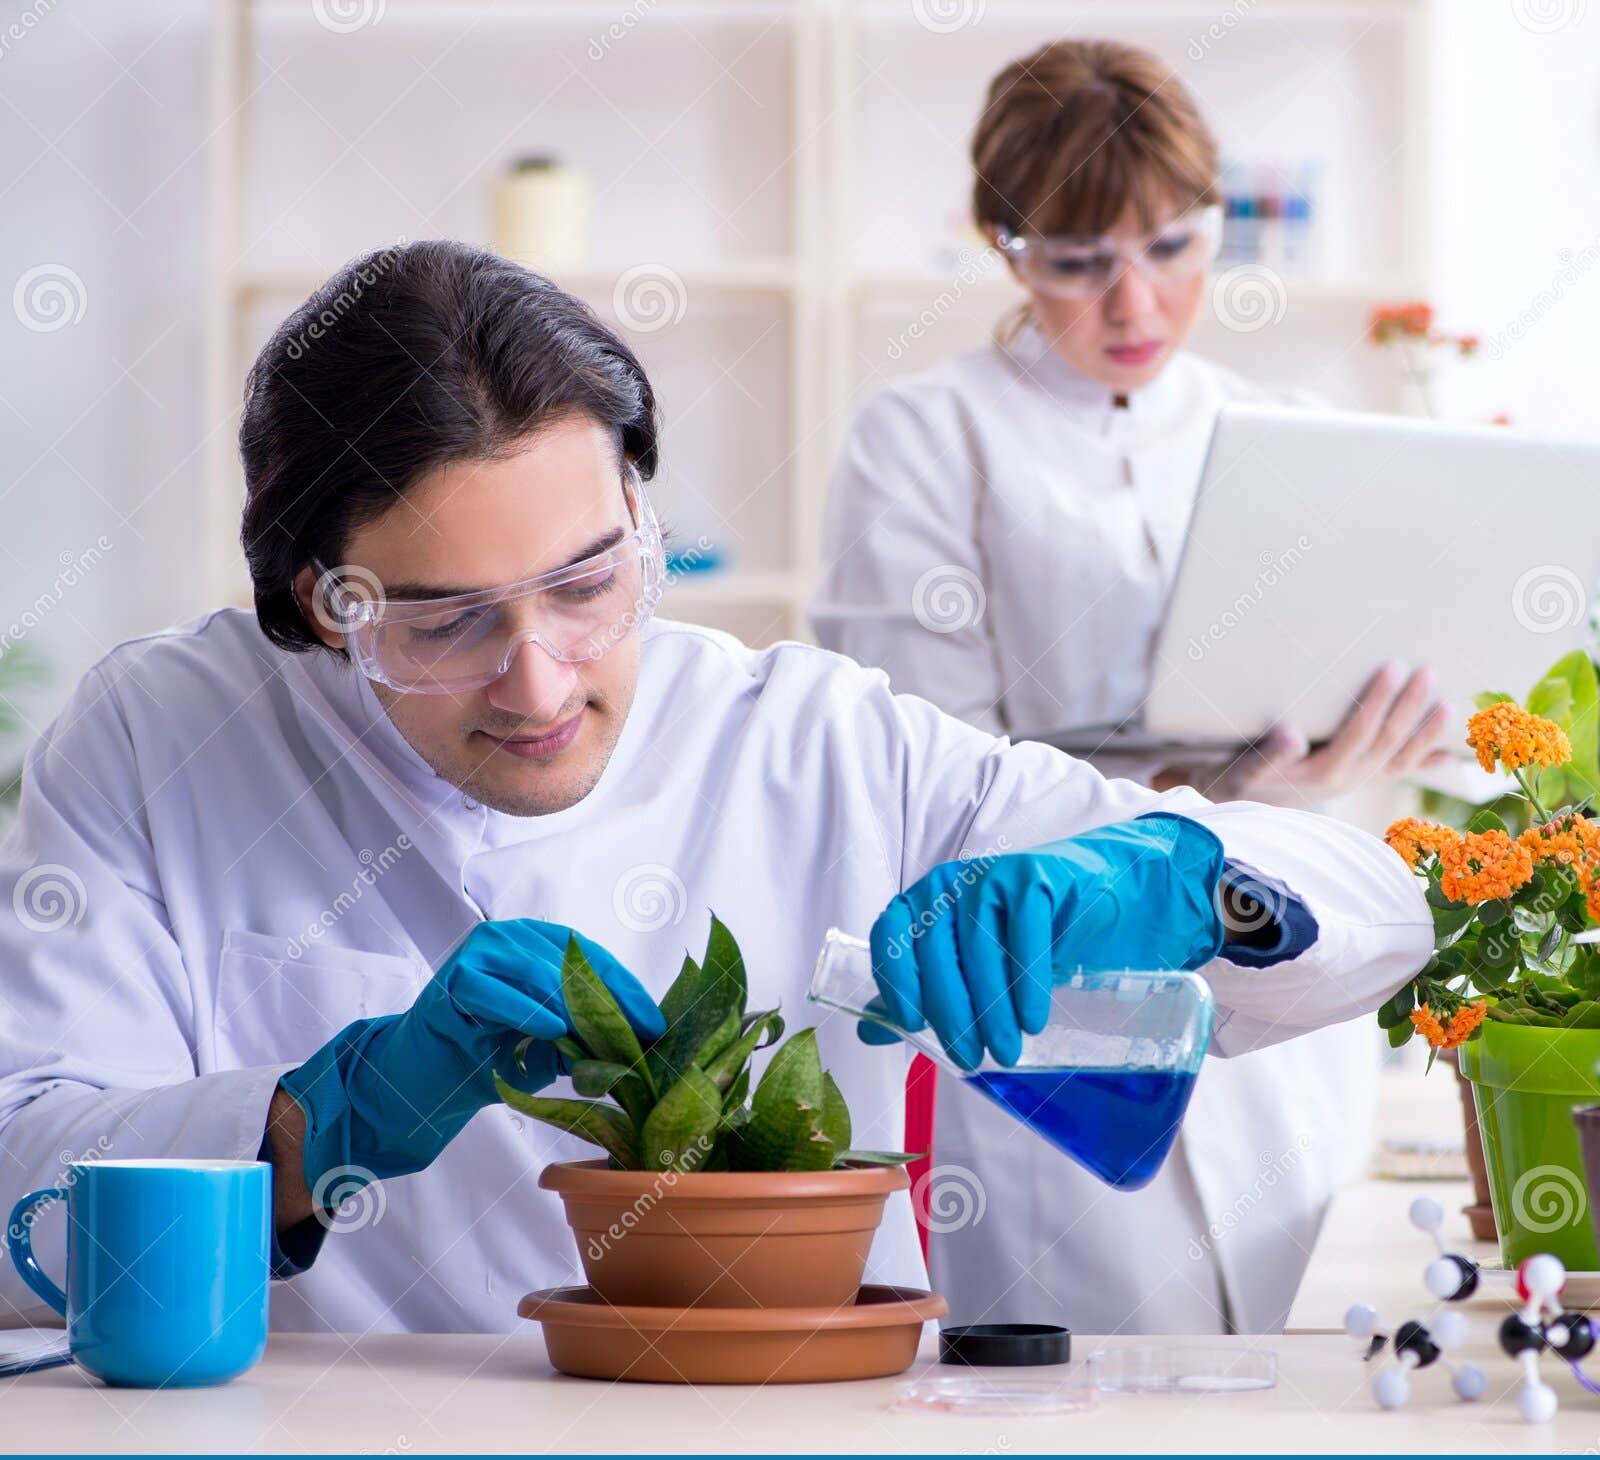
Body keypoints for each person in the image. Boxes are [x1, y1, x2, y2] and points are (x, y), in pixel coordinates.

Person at [0, 240, 1428, 1333]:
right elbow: (20, 1203)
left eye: (588, 582)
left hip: (788, 1450)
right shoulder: (160, 739)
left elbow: (1377, 921)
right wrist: (316, 1124)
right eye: (445, 624)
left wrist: (1174, 879)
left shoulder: (802, 737)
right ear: (320, 601)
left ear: (642, 519)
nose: (543, 680)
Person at [810, 41, 1451, 1334]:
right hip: (1065, 1015)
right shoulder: (925, 435)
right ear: (1003, 246)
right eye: (1077, 260)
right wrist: (1216, 796)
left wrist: (1359, 753)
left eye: (1173, 246)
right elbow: (923, 771)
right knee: (1097, 1413)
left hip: (1279, 1011)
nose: (1136, 300)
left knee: (1306, 1392)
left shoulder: (1287, 427)